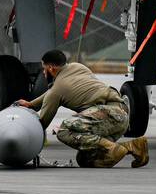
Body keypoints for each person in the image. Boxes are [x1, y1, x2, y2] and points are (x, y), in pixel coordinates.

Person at [16, 50, 149, 168]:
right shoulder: (77, 67)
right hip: (121, 116)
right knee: (85, 159)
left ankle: (111, 147)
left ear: (51, 68)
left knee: (64, 131)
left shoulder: (56, 91)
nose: (44, 73)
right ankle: (133, 147)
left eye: (44, 69)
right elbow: (53, 92)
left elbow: (42, 123)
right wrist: (31, 104)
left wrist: (21, 139)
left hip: (109, 114)